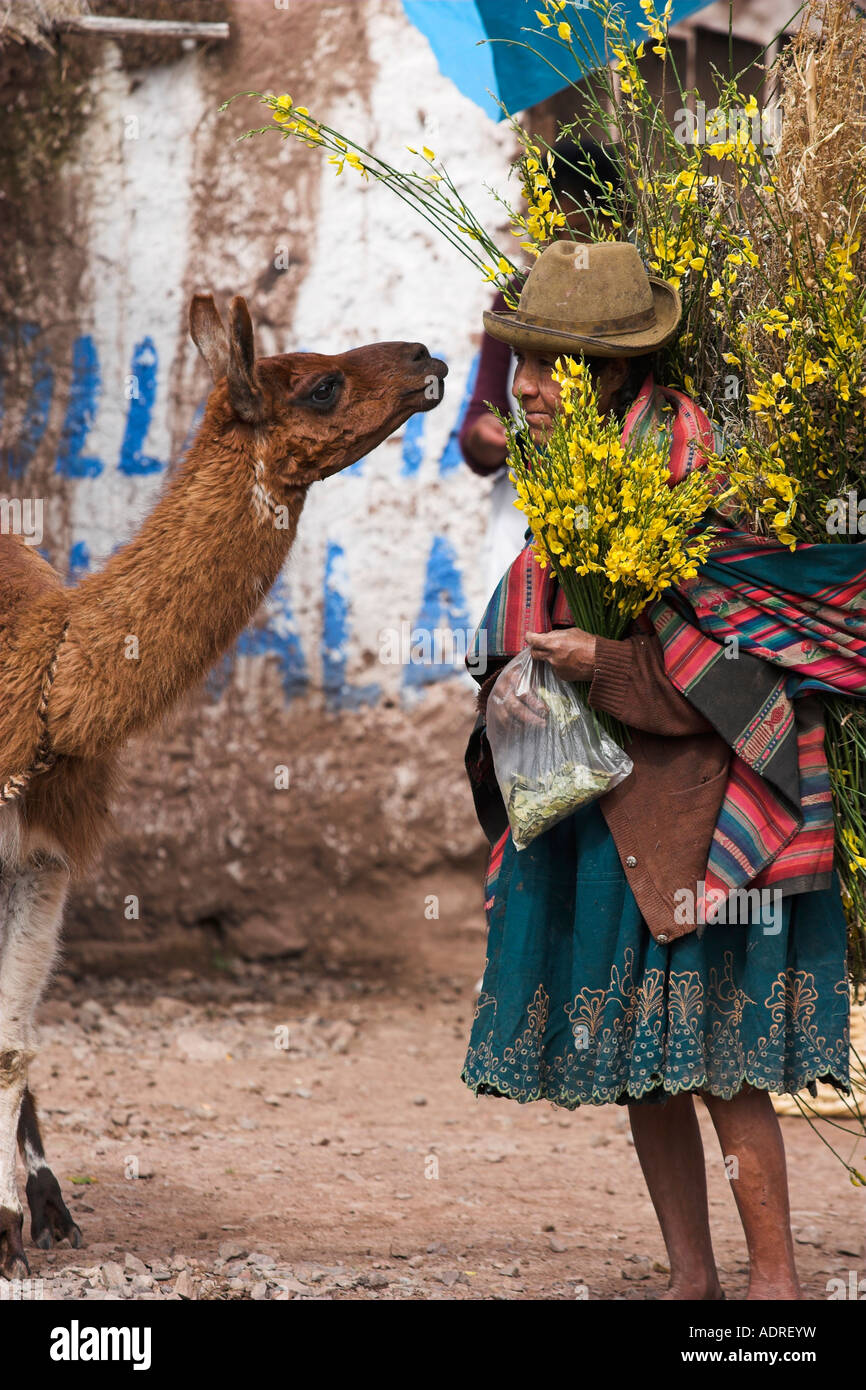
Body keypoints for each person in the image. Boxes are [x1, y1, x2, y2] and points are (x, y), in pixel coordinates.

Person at [460, 238, 851, 1301]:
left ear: (616, 373)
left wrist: (613, 661)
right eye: (521, 362)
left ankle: (771, 1285)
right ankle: (692, 1279)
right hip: (599, 803)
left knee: (720, 1056)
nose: (524, 386)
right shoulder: (566, 477)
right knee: (641, 1059)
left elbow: (743, 661)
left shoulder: (692, 473)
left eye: (547, 365)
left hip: (698, 807)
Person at [460, 141, 623, 593]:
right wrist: (493, 437)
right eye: (545, 232)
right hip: (524, 524)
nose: (558, 248)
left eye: (573, 230)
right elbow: (478, 422)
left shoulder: (628, 312)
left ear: (612, 223)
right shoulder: (513, 299)